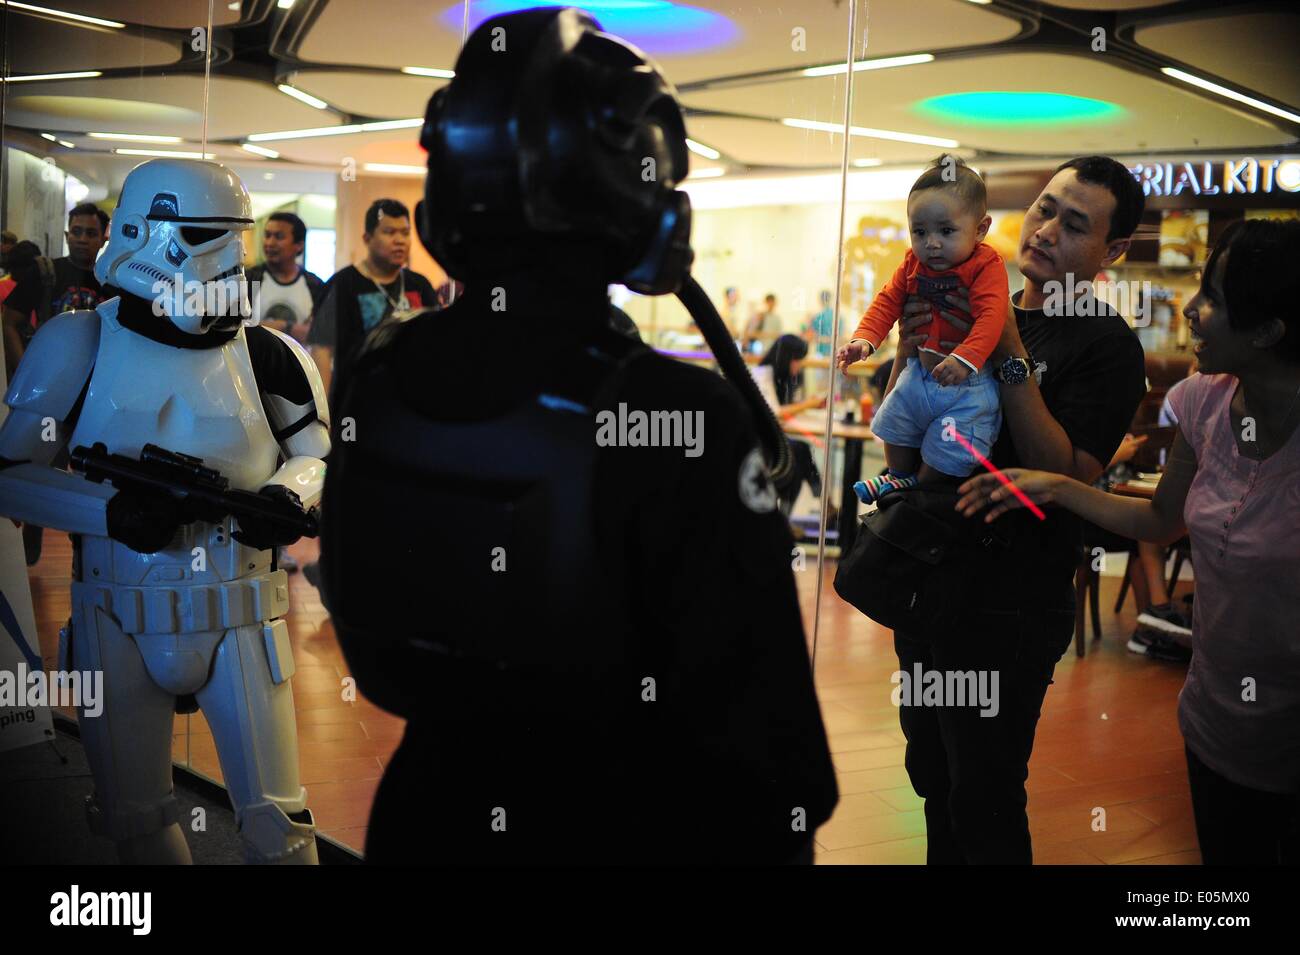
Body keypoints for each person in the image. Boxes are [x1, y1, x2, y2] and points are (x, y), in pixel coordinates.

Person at [321, 6, 838, 865]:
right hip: (628, 826)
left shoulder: (377, 372)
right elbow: (769, 756)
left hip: (426, 814)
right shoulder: (683, 417)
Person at [0, 159, 329, 864]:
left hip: (239, 613)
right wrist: (108, 511)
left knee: (279, 825)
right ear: (146, 235)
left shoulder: (272, 355)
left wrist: (287, 495)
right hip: (114, 613)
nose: (229, 259)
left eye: (235, 237)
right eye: (208, 235)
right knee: (136, 819)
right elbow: (11, 475)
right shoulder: (78, 342)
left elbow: (317, 454)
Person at [957, 218, 1300, 865]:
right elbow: (1161, 521)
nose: (1191, 312)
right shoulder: (1200, 402)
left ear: (1267, 330)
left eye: (1214, 301)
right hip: (1214, 718)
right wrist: (1055, 489)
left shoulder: (1107, 345)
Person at [873, 156, 1148, 864]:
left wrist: (1009, 349)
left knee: (985, 789)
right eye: (1046, 207)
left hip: (1008, 601)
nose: (1048, 229)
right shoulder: (952, 298)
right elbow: (901, 425)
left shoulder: (1108, 346)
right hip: (927, 574)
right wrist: (903, 360)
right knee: (930, 771)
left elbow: (1063, 474)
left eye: (1076, 223)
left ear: (1111, 252)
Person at [836, 156, 1007, 503]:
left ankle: (921, 489)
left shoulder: (987, 266)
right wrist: (864, 340)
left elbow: (992, 318)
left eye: (946, 231)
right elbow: (887, 301)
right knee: (894, 421)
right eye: (920, 231)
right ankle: (897, 477)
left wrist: (965, 359)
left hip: (965, 384)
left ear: (980, 229)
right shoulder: (912, 263)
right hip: (920, 373)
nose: (931, 243)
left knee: (951, 447)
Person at [306, 198, 438, 399]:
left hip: (412, 403)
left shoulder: (420, 285)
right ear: (367, 238)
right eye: (389, 232)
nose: (400, 240)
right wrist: (323, 415)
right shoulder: (341, 285)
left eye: (405, 232)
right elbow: (321, 351)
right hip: (358, 404)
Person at [2, 202, 110, 378]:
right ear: (67, 236)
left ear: (103, 240)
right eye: (76, 231)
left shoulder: (111, 282)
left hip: (94, 381)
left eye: (91, 233)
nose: (82, 239)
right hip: (47, 376)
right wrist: (26, 373)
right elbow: (9, 322)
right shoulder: (44, 272)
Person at [759, 334, 825, 515]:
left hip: (767, 441)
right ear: (787, 358)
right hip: (757, 445)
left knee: (798, 461)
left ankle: (786, 518)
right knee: (800, 453)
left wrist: (806, 406)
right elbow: (776, 412)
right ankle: (824, 504)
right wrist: (809, 404)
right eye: (798, 360)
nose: (799, 365)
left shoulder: (776, 376)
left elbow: (780, 411)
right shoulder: (762, 374)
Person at [246, 211, 325, 344]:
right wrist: (288, 327)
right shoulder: (248, 280)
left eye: (279, 236)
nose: (270, 243)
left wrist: (262, 325)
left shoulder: (315, 286)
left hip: (299, 363)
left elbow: (319, 336)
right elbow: (239, 329)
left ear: (299, 245)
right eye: (267, 235)